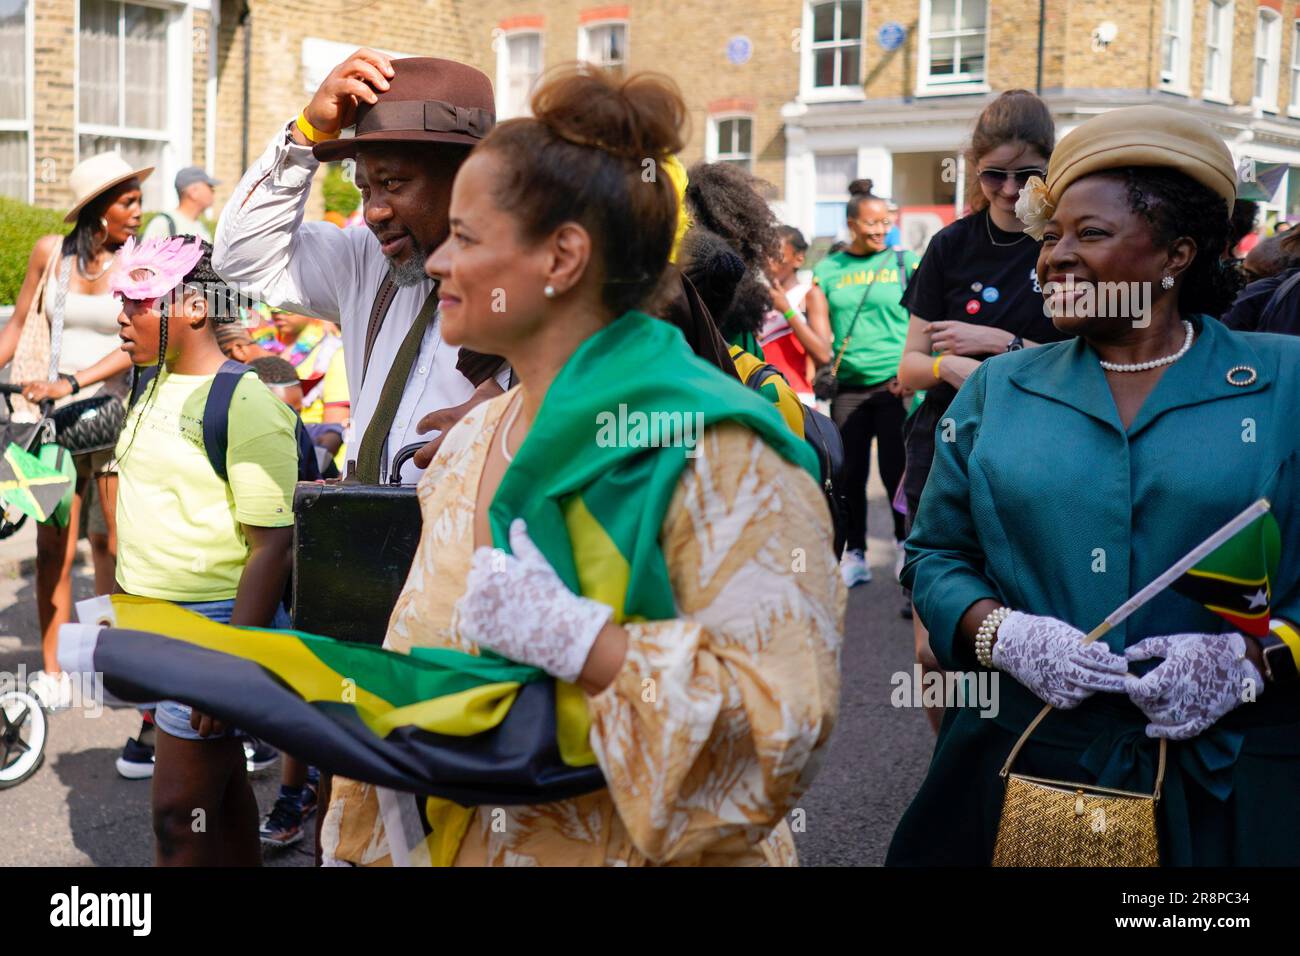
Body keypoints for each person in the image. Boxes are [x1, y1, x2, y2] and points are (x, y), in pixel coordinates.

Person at [319, 66, 844, 867]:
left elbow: (776, 737)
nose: (437, 265)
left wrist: (585, 644)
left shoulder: (721, 455)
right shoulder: (466, 443)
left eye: (467, 237)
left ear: (562, 256)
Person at [888, 106, 1300, 866]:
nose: (1054, 260)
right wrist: (1000, 634)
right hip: (1032, 768)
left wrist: (1252, 660)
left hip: (1229, 787)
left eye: (1091, 235)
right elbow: (937, 556)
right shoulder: (998, 390)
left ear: (1177, 252)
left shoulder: (1283, 381)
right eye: (1050, 239)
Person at [213, 52, 510, 485]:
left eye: (393, 183)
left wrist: (517, 418)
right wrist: (306, 134)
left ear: (470, 177)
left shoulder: (548, 287)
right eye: (365, 189)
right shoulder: (366, 264)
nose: (373, 212)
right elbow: (242, 257)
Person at [111, 235, 298, 865]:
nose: (121, 315)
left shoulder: (244, 402)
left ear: (192, 306)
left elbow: (274, 546)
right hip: (157, 622)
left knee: (176, 820)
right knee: (219, 798)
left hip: (212, 630)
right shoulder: (149, 383)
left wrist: (226, 675)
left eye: (136, 301)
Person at [895, 89, 1067, 730]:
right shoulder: (950, 246)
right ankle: (950, 776)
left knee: (1024, 633)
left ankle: (1010, 773)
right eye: (993, 173)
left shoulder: (1065, 243)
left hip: (1039, 442)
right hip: (944, 441)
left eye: (1026, 175)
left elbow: (1089, 355)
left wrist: (1003, 348)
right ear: (974, 171)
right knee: (933, 649)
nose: (1007, 188)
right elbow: (907, 367)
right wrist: (951, 366)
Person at [2, 152, 145, 711]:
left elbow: (136, 341)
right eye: (127, 202)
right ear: (95, 210)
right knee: (50, 542)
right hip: (42, 425)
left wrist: (74, 380)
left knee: (113, 543)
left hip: (111, 419)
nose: (138, 213)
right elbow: (18, 324)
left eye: (138, 200)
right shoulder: (50, 254)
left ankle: (107, 661)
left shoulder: (138, 262)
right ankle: (55, 669)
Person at [805, 179, 919, 588]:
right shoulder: (828, 270)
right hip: (848, 388)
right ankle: (854, 553)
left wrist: (911, 370)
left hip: (894, 385)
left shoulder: (907, 262)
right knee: (848, 474)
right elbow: (820, 340)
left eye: (885, 222)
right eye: (871, 223)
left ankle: (904, 547)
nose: (879, 230)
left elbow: (925, 320)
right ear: (851, 224)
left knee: (896, 473)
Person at [249, 308, 349, 465]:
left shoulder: (334, 352)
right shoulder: (260, 345)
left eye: (286, 305)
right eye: (271, 305)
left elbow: (335, 428)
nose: (276, 310)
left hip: (318, 462)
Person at [760, 225, 830, 403]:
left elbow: (823, 354)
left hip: (797, 397)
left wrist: (787, 310)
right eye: (765, 254)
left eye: (776, 256)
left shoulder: (809, 295)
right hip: (761, 396)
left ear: (798, 259)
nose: (768, 262)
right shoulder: (759, 298)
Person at [142, 166, 218, 242]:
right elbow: (146, 253)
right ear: (193, 192)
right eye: (210, 187)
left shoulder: (201, 226)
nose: (213, 191)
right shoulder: (162, 223)